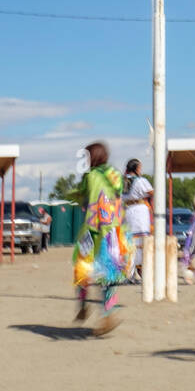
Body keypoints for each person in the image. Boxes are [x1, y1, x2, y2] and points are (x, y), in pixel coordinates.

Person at [72, 142, 136, 336]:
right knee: (107, 276)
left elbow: (86, 196)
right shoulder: (115, 175)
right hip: (115, 232)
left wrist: (74, 194)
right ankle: (109, 312)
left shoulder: (91, 177)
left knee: (81, 269)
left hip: (94, 230)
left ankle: (83, 304)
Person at [122, 158, 153, 280]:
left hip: (128, 211)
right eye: (140, 168)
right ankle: (141, 271)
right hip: (140, 211)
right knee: (141, 242)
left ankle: (130, 272)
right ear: (136, 169)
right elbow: (151, 192)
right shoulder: (141, 181)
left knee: (129, 241)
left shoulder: (122, 181)